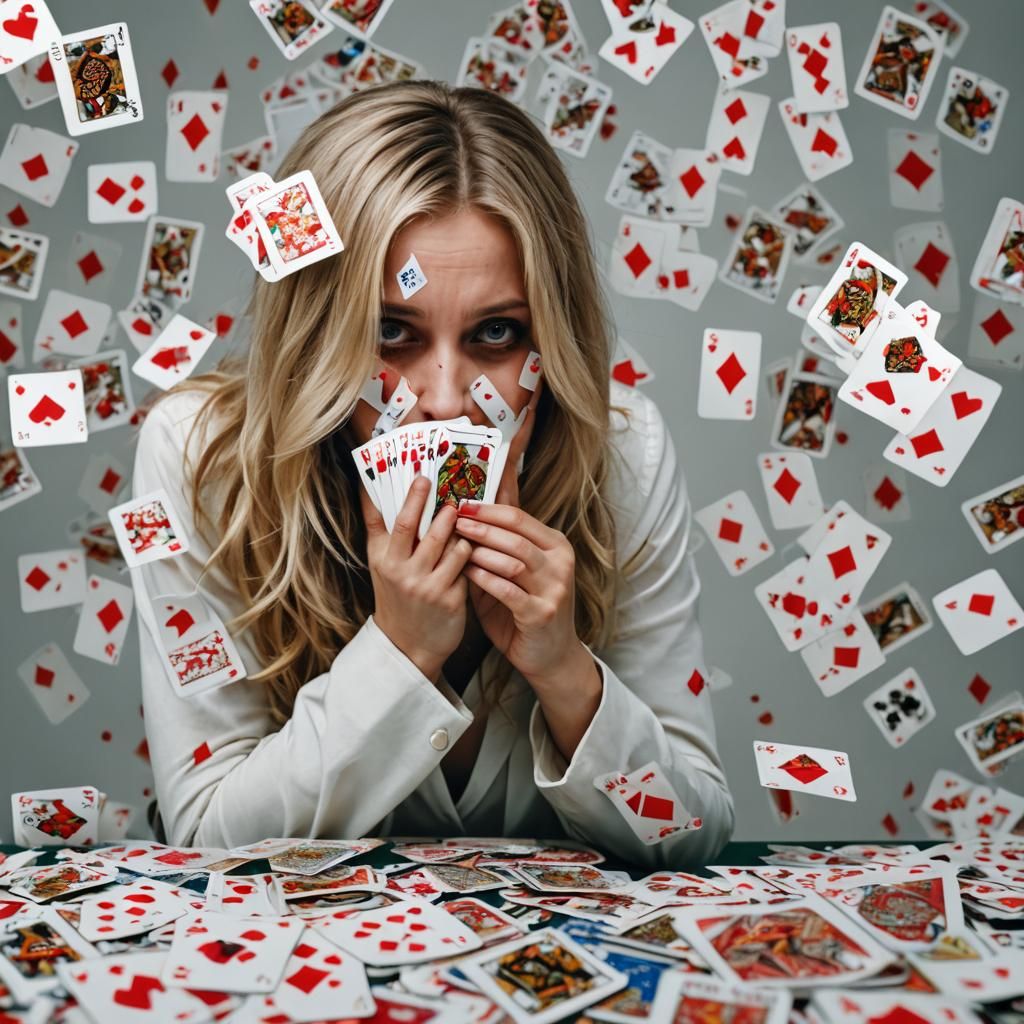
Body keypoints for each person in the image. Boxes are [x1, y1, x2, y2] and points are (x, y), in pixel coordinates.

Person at [130, 79, 734, 868]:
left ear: (550, 334)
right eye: (391, 332)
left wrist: (564, 672)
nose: (446, 399)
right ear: (317, 332)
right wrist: (400, 651)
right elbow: (208, 841)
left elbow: (689, 835)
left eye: (495, 331)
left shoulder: (625, 454)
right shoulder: (197, 453)